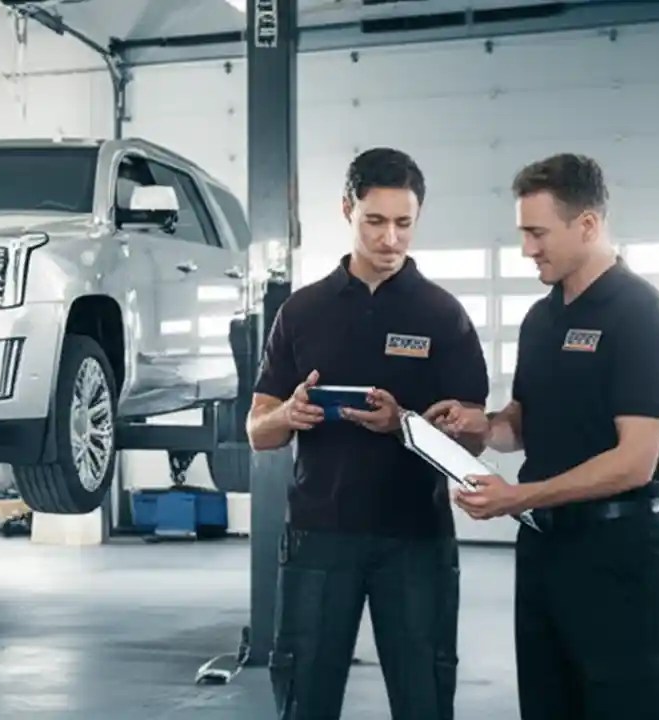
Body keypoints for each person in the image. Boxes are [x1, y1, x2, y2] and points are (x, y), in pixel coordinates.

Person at [426, 153, 659, 720]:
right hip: (545, 549)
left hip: (617, 554)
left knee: (621, 705)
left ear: (586, 225)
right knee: (546, 703)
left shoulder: (639, 313)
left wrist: (517, 497)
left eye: (538, 233)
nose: (527, 249)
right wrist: (484, 426)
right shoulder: (541, 319)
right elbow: (525, 421)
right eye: (523, 233)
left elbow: (635, 460)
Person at [248, 147, 489, 719]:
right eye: (374, 222)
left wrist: (415, 424)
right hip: (319, 535)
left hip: (416, 537)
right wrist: (290, 415)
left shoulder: (442, 315)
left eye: (403, 224)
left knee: (425, 697)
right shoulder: (302, 313)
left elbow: (476, 439)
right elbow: (259, 430)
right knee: (306, 694)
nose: (390, 240)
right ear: (346, 211)